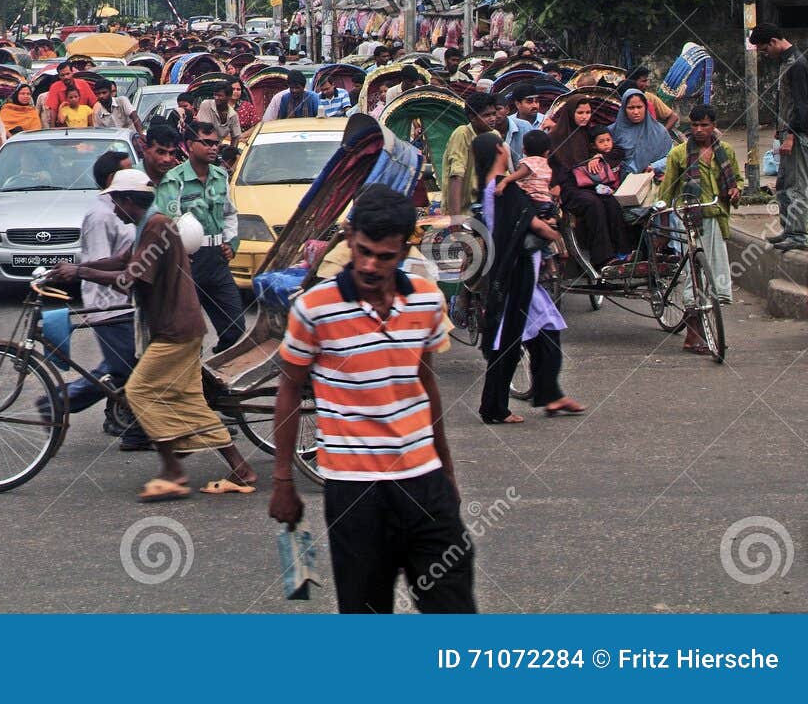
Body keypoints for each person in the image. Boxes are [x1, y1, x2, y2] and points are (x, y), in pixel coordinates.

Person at [267, 186, 476, 614]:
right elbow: (288, 391)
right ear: (349, 238)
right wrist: (283, 481)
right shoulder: (314, 309)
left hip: (424, 482)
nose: (369, 265)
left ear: (404, 252)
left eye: (384, 257)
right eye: (362, 251)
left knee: (453, 605)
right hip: (354, 492)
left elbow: (426, 385)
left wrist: (448, 471)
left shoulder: (425, 300)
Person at [48, 170, 259, 501]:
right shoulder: (147, 225)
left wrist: (81, 271)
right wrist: (74, 270)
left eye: (115, 202)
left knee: (139, 391)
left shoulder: (157, 226)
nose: (113, 209)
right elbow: (121, 261)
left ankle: (173, 472)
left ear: (128, 201)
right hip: (177, 327)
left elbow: (128, 278)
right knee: (188, 400)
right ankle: (240, 468)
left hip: (176, 330)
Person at [472, 134, 581, 424]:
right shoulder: (504, 188)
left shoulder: (495, 187)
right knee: (507, 340)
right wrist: (554, 233)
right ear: (499, 150)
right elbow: (532, 225)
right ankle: (495, 408)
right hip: (516, 272)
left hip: (519, 272)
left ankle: (550, 394)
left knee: (546, 329)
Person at [62, 150, 149, 449]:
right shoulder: (100, 215)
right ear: (112, 180)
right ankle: (58, 402)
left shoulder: (131, 210)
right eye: (128, 170)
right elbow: (102, 263)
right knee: (121, 367)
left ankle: (130, 424)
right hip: (109, 304)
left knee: (125, 366)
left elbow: (125, 257)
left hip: (126, 302)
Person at [155, 120, 244, 352]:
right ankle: (194, 371)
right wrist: (175, 253)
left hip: (217, 258)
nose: (213, 148)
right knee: (188, 331)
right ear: (189, 145)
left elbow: (229, 213)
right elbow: (166, 221)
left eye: (215, 143)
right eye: (206, 143)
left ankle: (218, 365)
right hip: (188, 261)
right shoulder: (174, 179)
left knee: (235, 326)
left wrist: (231, 243)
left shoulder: (220, 176)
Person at [659, 106, 740, 355]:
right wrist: (662, 219)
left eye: (704, 125)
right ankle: (692, 336)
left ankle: (706, 330)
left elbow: (737, 179)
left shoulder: (725, 151)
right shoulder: (678, 153)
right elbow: (667, 190)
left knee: (713, 274)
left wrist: (735, 189)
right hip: (690, 219)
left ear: (713, 125)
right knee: (695, 277)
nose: (699, 130)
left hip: (716, 217)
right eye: (694, 125)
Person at [550, 101, 632, 270]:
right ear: (570, 113)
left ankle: (623, 252)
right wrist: (555, 183)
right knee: (593, 204)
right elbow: (548, 165)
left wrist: (598, 156)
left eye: (588, 113)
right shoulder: (555, 137)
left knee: (611, 202)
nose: (585, 117)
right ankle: (603, 258)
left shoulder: (587, 133)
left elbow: (616, 150)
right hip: (568, 188)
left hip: (589, 184)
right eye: (580, 113)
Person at [752, 23, 808, 248]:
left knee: (796, 185)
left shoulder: (797, 64)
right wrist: (780, 130)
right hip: (787, 132)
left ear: (774, 42)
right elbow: (786, 101)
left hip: (797, 134)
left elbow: (802, 106)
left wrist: (791, 136)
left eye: (765, 49)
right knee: (783, 184)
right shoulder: (786, 62)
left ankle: (798, 234)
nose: (766, 54)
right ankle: (789, 229)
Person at [441, 91, 502, 219]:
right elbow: (456, 175)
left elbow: (501, 173)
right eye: (486, 115)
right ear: (472, 117)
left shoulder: (495, 135)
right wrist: (455, 218)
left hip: (486, 208)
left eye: (494, 114)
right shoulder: (462, 133)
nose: (492, 119)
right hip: (463, 211)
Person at [609, 87, 673, 174]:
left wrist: (654, 166)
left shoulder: (659, 132)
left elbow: (671, 157)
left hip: (649, 178)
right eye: (631, 108)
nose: (636, 112)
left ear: (645, 107)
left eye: (639, 107)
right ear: (624, 109)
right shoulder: (611, 132)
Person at [516, 130, 559, 219]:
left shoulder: (527, 163)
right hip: (547, 202)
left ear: (524, 150)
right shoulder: (549, 165)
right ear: (547, 152)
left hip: (531, 201)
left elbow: (518, 175)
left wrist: (505, 181)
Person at [196, 84, 243, 151]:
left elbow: (236, 136)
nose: (216, 98)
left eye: (220, 95)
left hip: (216, 149)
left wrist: (232, 151)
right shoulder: (206, 105)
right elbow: (205, 128)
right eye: (215, 95)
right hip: (202, 146)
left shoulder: (233, 115)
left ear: (228, 97)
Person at [503, 84, 542, 164]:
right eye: (529, 102)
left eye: (537, 101)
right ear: (518, 104)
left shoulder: (546, 121)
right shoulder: (509, 122)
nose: (535, 105)